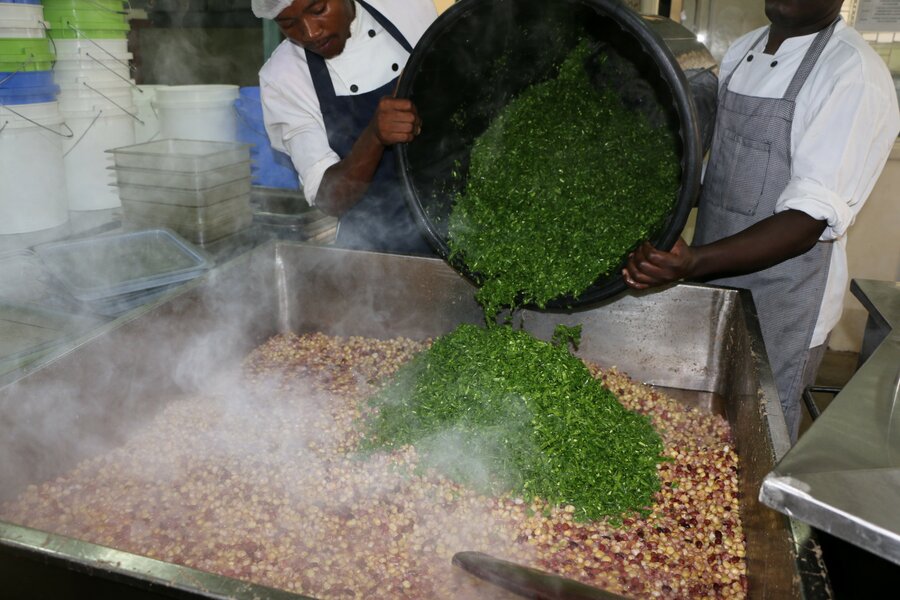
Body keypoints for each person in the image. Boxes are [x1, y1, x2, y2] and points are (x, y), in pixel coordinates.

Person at [622, 0, 899, 443]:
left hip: (782, 305)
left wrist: (693, 263)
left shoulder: (853, 75)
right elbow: (715, 174)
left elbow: (806, 220)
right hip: (713, 284)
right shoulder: (743, 50)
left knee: (753, 439)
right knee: (697, 427)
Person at [250, 0, 438, 254]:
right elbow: (330, 200)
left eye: (318, 10)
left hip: (468, 221)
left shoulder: (408, 6)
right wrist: (374, 137)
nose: (310, 33)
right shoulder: (284, 77)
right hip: (375, 251)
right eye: (288, 23)